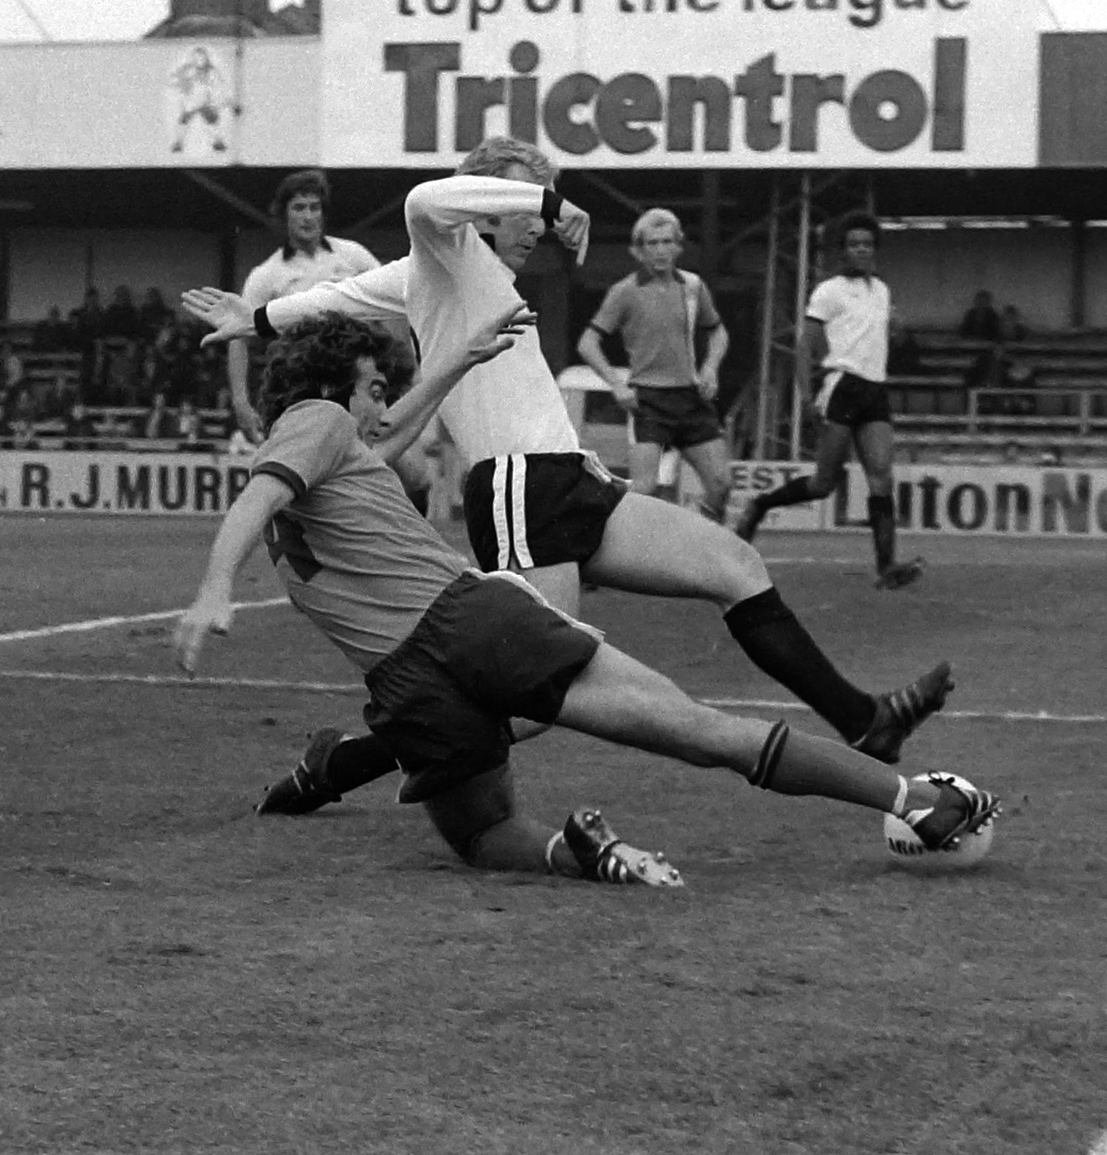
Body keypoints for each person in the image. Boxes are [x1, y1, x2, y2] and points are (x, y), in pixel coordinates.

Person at [181, 137, 954, 817]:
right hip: (518, 488)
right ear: (484, 202)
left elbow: (339, 295)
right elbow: (423, 202)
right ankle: (342, 763)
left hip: (574, 482)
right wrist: (550, 202)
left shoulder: (441, 272)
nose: (534, 224)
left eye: (538, 205)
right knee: (531, 696)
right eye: (519, 203)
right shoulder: (448, 249)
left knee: (736, 564)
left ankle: (864, 721)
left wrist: (258, 319)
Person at [172, 310, 1000, 884]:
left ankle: (579, 853)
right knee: (701, 731)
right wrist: (213, 588)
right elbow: (261, 491)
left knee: (483, 835)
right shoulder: (314, 419)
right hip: (473, 623)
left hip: (406, 685)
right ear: (332, 387)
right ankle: (917, 801)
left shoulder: (329, 452)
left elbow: (377, 440)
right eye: (372, 385)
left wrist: (457, 364)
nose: (381, 400)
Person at [734, 214, 925, 591]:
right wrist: (806, 396)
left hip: (875, 389)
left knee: (882, 476)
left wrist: (896, 331)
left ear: (875, 249)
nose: (861, 250)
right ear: (843, 251)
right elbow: (805, 346)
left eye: (867, 244)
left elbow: (880, 336)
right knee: (824, 482)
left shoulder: (882, 290)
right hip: (843, 387)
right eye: (854, 244)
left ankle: (886, 567)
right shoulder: (829, 291)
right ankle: (759, 506)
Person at [575, 207, 733, 522]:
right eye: (652, 243)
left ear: (679, 246)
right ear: (638, 250)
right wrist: (616, 384)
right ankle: (608, 539)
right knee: (644, 490)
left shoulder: (693, 286)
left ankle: (696, 538)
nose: (661, 250)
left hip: (691, 399)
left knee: (721, 484)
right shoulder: (625, 291)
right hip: (647, 401)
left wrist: (711, 367)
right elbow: (587, 343)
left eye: (667, 242)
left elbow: (718, 331)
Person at [226, 169, 382, 442]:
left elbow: (393, 301)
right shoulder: (267, 275)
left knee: (396, 462)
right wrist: (240, 400)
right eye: (299, 208)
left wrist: (407, 369)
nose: (308, 216)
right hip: (300, 391)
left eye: (314, 207)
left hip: (357, 384)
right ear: (284, 215)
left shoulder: (354, 256)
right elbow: (238, 337)